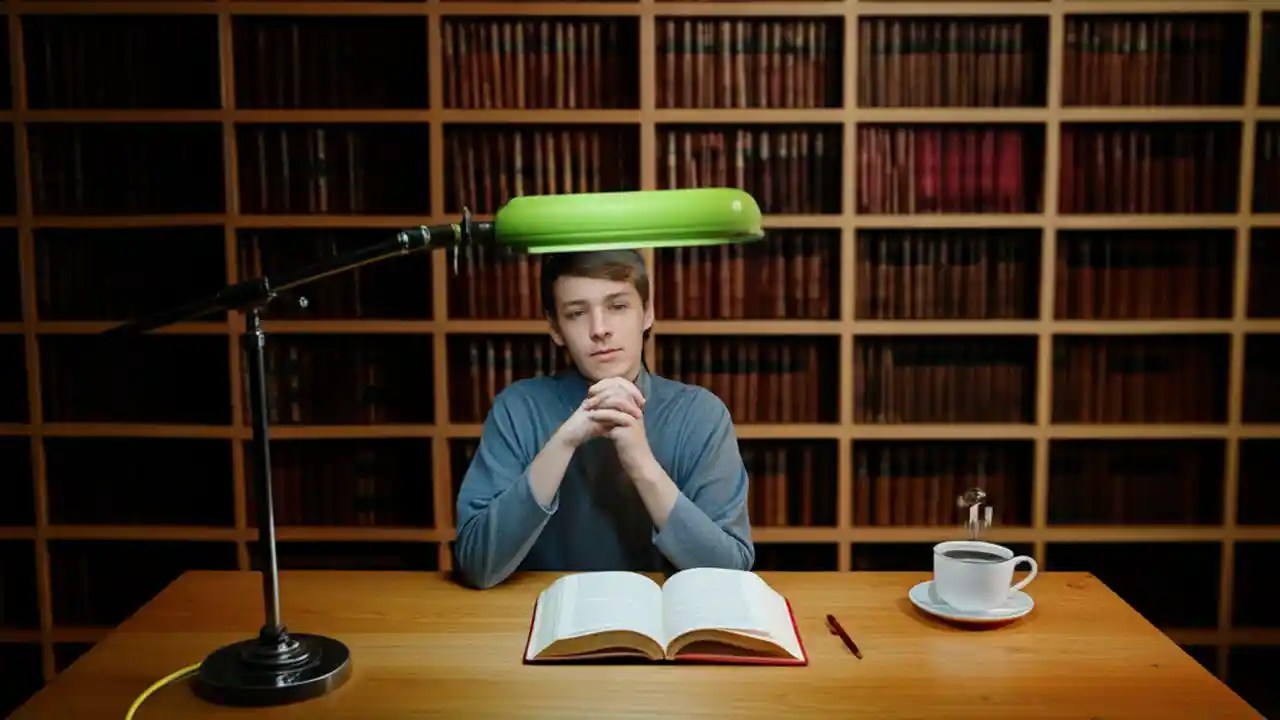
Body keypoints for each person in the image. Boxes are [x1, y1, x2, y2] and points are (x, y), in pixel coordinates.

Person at [453, 249, 754, 589]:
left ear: (647, 313)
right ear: (555, 328)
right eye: (577, 313)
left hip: (659, 628)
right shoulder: (518, 408)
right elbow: (477, 565)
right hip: (545, 622)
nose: (599, 330)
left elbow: (730, 575)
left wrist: (642, 464)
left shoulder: (700, 414)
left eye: (618, 307)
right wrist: (564, 442)